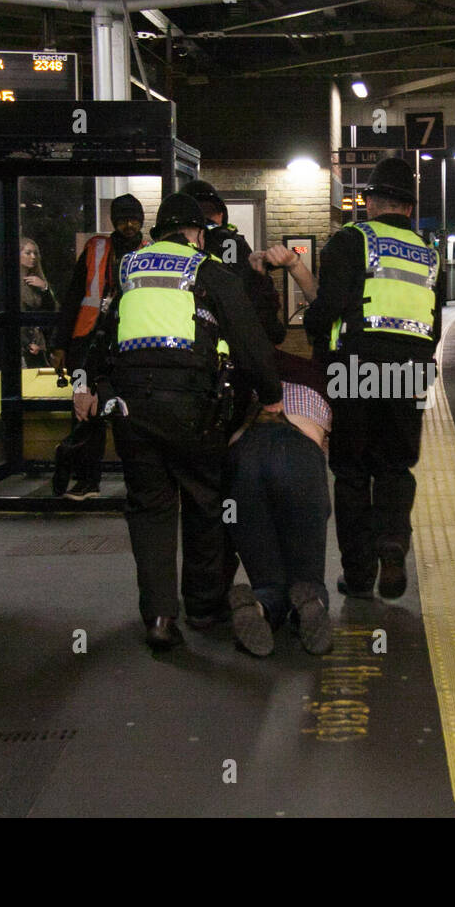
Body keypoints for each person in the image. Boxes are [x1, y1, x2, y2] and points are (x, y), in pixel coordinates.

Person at [75, 192, 282, 651]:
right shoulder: (208, 271)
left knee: (149, 509)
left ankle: (159, 618)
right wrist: (271, 397)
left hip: (131, 409)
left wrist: (83, 384)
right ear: (198, 234)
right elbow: (250, 340)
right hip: (195, 411)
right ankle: (203, 608)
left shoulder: (128, 270)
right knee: (205, 504)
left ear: (155, 234)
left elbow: (100, 335)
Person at [302, 157, 444, 600]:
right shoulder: (429, 253)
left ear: (371, 201)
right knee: (395, 466)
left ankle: (360, 574)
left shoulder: (349, 241)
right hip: (409, 371)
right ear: (409, 207)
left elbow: (329, 306)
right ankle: (393, 544)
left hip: (356, 369)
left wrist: (318, 346)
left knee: (351, 471)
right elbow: (434, 323)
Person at [226, 253, 333, 657]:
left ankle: (257, 604)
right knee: (306, 572)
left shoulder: (233, 371)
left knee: (267, 582)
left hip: (245, 457)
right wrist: (295, 268)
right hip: (300, 451)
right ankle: (310, 600)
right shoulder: (315, 370)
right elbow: (325, 318)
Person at [50, 194, 149, 500]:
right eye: (122, 219)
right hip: (87, 343)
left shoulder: (150, 252)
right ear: (113, 221)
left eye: (133, 219)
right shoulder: (97, 249)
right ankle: (86, 481)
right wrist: (60, 344)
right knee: (83, 411)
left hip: (128, 344)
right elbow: (73, 297)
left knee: (129, 413)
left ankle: (138, 481)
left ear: (142, 220)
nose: (128, 225)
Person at [179, 178, 285, 345]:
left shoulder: (233, 246)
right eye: (200, 213)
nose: (205, 222)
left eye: (210, 212)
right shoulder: (232, 243)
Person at [19, 237, 58, 369]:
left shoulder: (37, 280)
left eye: (35, 253)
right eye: (28, 253)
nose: (33, 257)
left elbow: (52, 310)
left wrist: (44, 288)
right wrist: (26, 343)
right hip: (23, 347)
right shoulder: (12, 283)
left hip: (40, 345)